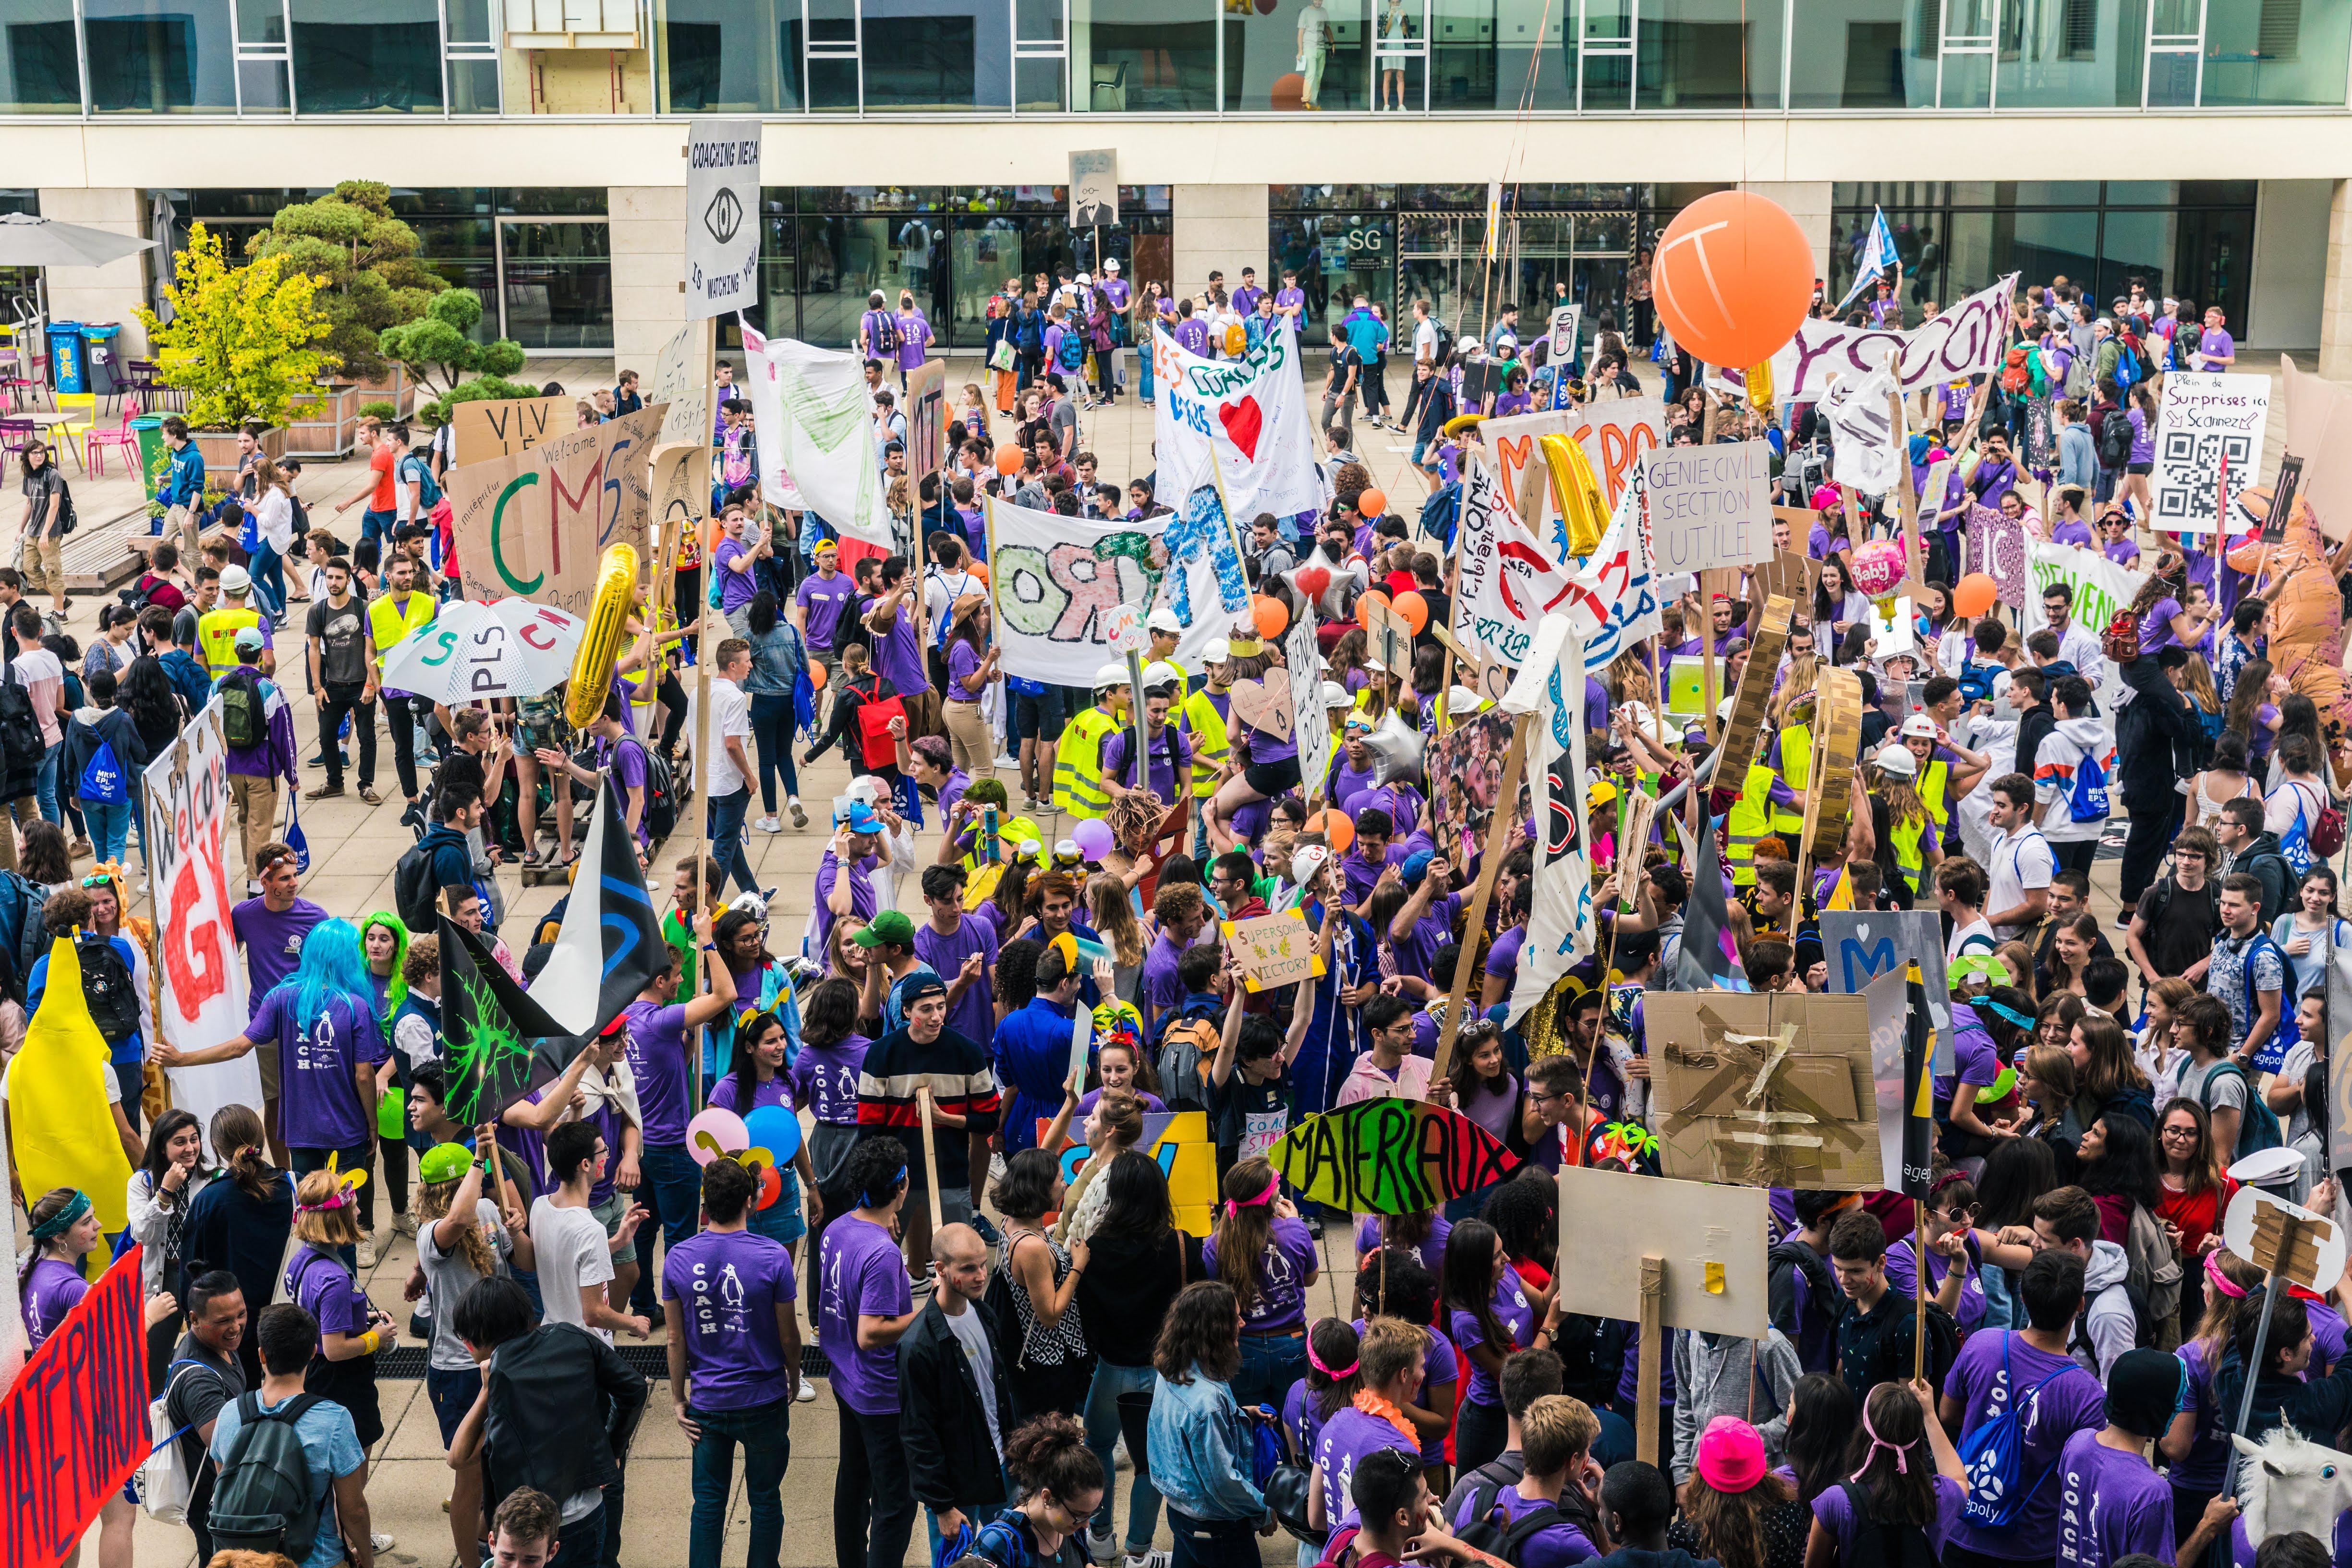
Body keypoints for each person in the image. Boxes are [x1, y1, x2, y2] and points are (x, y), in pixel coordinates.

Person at [155, 918, 390, 1267]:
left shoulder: (282, 997)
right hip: (347, 1129)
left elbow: (239, 1046)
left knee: (310, 1212)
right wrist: (372, 1125)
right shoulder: (356, 1005)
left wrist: (182, 1059)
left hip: (301, 1128)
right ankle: (348, 1292)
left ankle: (312, 1284)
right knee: (344, 1217)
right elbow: (364, 1076)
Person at [446, 1276, 651, 1568]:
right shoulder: (572, 1337)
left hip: (532, 1538)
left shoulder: (502, 1377)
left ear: (471, 1342)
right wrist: (612, 1449)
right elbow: (634, 1388)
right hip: (590, 1513)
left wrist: (486, 1389)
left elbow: (459, 1457)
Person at [663, 1156, 801, 1568]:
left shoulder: (678, 1258)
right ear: (750, 1200)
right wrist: (793, 1376)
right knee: (765, 1499)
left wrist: (677, 1399)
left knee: (707, 1505)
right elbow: (788, 1335)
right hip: (764, 1400)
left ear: (705, 1204)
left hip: (708, 1404)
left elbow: (674, 1338)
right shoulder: (774, 1257)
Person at [411, 1137, 529, 1567]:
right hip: (458, 1372)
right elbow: (458, 1218)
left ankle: (488, 1539)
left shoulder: (486, 1211)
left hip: (505, 1361)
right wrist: (478, 1158)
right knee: (471, 1478)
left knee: (504, 1471)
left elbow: (526, 1262)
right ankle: (468, 1560)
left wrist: (516, 1228)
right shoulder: (432, 1233)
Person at [206, 1302, 378, 1568]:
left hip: (246, 1560)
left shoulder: (230, 1413)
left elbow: (227, 1484)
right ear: (312, 1353)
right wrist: (366, 1557)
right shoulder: (333, 1420)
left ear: (262, 1355)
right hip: (315, 1559)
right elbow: (353, 1510)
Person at [819, 1134, 924, 1568]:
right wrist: (927, 1313)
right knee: (896, 1503)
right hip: (880, 1394)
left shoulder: (838, 1227)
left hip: (845, 1381)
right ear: (900, 1188)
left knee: (854, 1481)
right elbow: (871, 1331)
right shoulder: (881, 1253)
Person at [857, 969, 1001, 1273]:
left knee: (957, 1262)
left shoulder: (967, 1053)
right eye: (926, 1009)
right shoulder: (881, 1054)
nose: (937, 1017)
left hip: (950, 1176)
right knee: (879, 1262)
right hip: (897, 1180)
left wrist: (945, 1118)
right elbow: (869, 1132)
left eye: (941, 1007)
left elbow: (990, 1118)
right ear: (906, 1012)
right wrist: (883, 1191)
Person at [902, 1221, 1016, 1551]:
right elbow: (918, 1434)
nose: (981, 1275)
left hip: (1002, 1469)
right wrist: (941, 1505)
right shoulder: (919, 1346)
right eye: (968, 1268)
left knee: (1011, 1554)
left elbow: (999, 1396)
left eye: (983, 1264)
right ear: (940, 1269)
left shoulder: (985, 1315)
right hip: (957, 1489)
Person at [1145, 1280, 1267, 1568]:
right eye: (1234, 1317)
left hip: (1182, 1515)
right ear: (1213, 1330)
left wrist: (1239, 1414)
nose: (1242, 1323)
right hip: (1218, 1528)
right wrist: (1263, 1509)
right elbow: (1222, 1482)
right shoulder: (1208, 1405)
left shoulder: (1173, 1368)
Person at [1803, 1380, 1965, 1568]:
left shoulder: (1835, 1501)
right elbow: (1959, 1478)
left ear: (1864, 1432)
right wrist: (1929, 1414)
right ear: (1918, 1438)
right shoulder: (1939, 1496)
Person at [992, 1146, 1097, 1421]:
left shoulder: (1013, 1223)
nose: (1066, 1184)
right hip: (1047, 1363)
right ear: (1039, 1188)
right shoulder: (1031, 1248)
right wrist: (1078, 1266)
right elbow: (1049, 1315)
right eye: (1060, 1179)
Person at [958, 1413, 1107, 1568]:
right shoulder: (997, 1544)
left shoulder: (1072, 1526)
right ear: (1048, 1498)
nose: (1087, 1525)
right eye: (1080, 1516)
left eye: (1091, 1514)